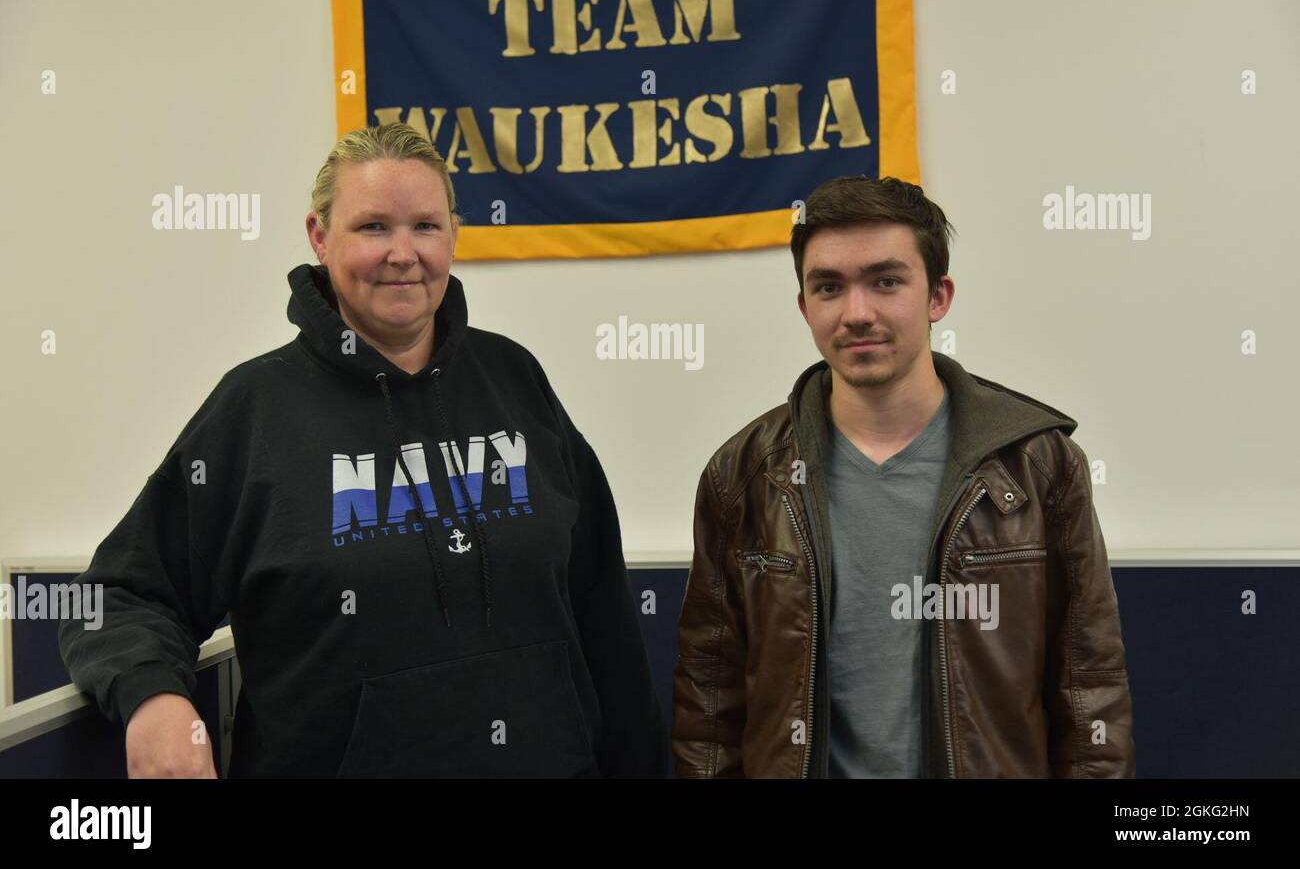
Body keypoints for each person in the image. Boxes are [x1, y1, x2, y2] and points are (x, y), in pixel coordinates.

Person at [59, 122, 665, 778]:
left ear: (454, 235)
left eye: (425, 226)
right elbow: (119, 597)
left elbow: (603, 616)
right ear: (320, 238)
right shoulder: (255, 409)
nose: (403, 253)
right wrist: (157, 700)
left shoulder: (516, 381)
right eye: (373, 227)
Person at [673, 175, 1135, 778]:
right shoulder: (744, 474)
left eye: (886, 281)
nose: (857, 313)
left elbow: (1089, 686)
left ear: (938, 296)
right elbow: (710, 702)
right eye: (829, 287)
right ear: (804, 306)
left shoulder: (1039, 465)